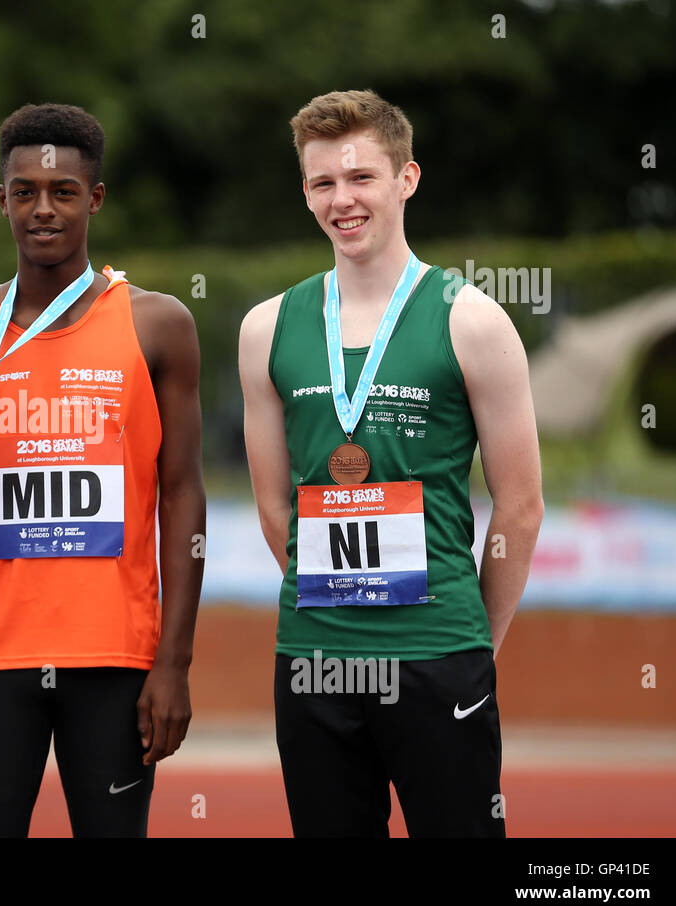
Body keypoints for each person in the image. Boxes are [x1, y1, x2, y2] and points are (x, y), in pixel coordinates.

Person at [238, 90, 544, 837]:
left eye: (361, 177)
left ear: (406, 178)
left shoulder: (472, 318)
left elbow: (520, 505)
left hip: (439, 653)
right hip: (313, 660)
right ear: (306, 191)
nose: (343, 200)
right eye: (322, 183)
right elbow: (276, 507)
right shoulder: (267, 327)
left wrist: (473, 638)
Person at [0, 103, 206, 837]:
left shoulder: (157, 324)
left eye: (63, 192)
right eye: (25, 192)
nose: (42, 210)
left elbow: (182, 494)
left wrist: (172, 661)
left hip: (115, 655)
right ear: (2, 199)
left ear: (95, 198)